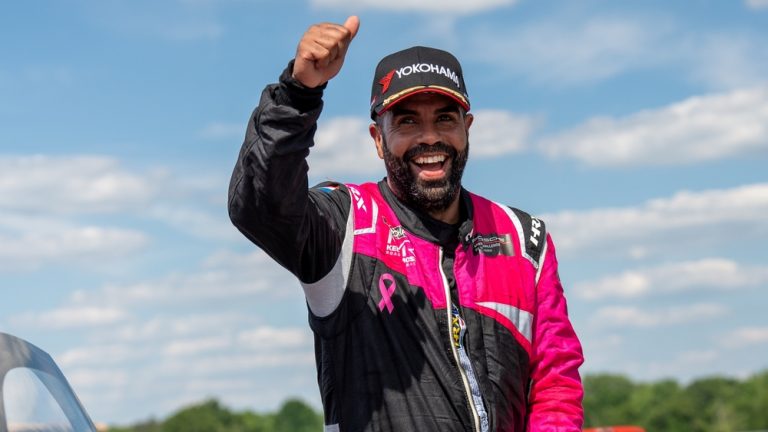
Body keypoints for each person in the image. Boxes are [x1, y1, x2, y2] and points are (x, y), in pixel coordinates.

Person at [228, 15, 584, 432]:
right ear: (378, 140)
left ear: (467, 130)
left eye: (445, 119)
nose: (429, 138)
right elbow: (259, 204)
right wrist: (298, 94)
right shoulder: (345, 223)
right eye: (407, 121)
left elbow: (556, 379)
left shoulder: (525, 238)